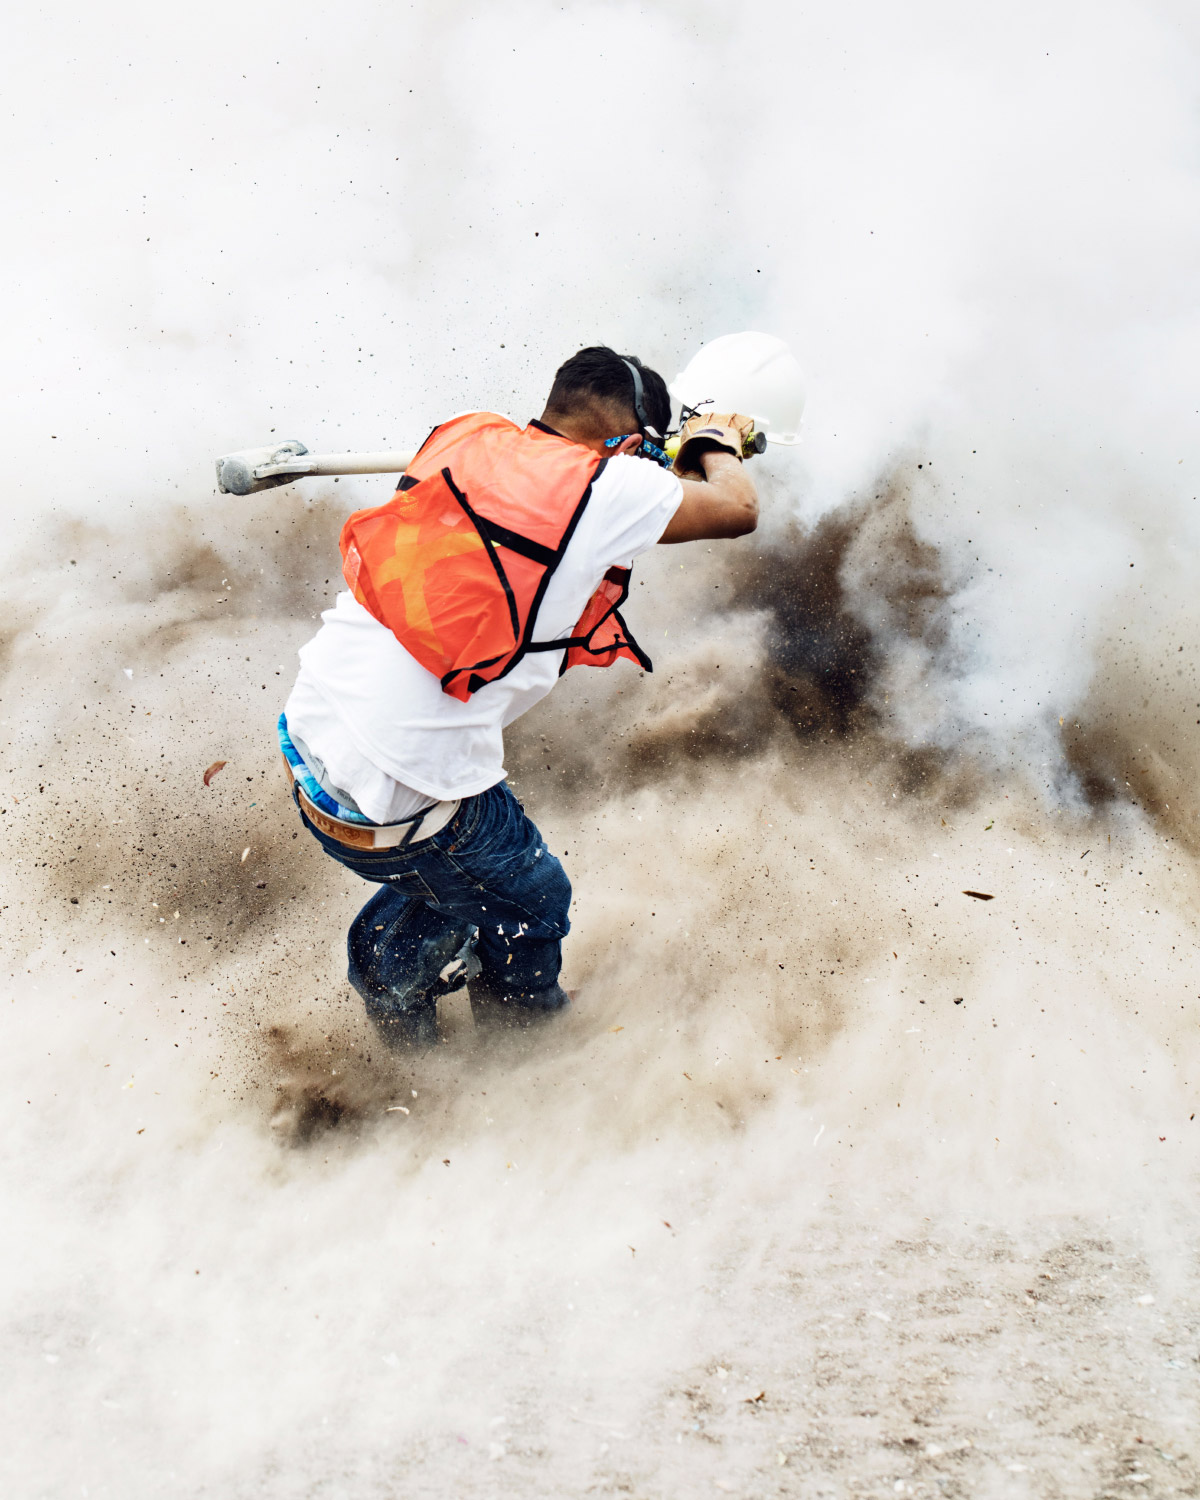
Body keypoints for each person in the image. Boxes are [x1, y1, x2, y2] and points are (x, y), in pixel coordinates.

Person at [279, 345, 758, 1049]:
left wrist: (652, 465)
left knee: (462, 882)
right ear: (629, 446)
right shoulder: (608, 486)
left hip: (310, 742)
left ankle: (394, 1004)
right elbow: (737, 508)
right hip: (408, 797)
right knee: (533, 896)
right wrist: (715, 442)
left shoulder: (468, 434)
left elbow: (562, 500)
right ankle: (521, 1053)